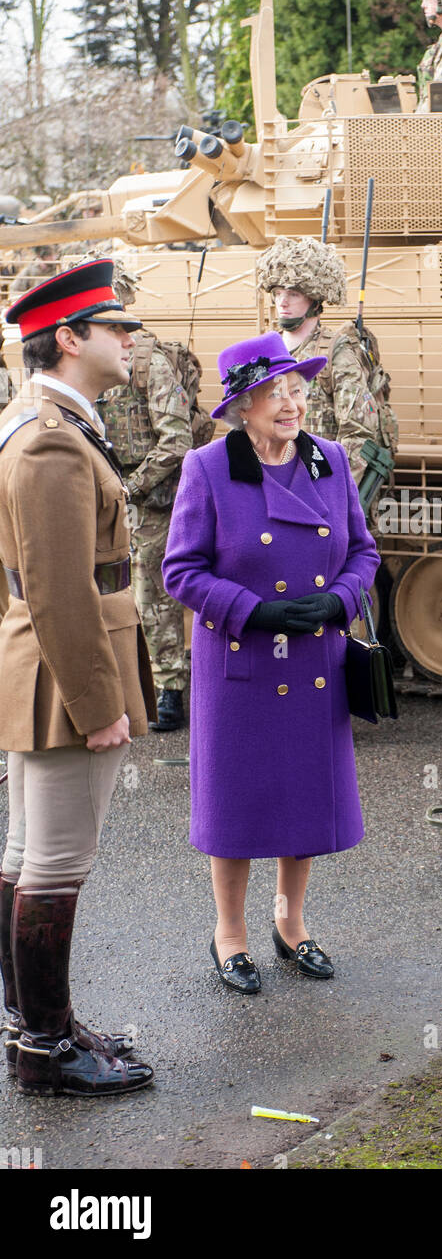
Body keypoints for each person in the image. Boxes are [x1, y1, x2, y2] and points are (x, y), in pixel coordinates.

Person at [162, 332, 380, 992]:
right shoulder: (208, 467)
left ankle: (292, 924)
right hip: (242, 664)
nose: (291, 404)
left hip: (314, 655)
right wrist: (252, 611)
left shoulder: (330, 459)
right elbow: (180, 569)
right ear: (242, 407)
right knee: (237, 807)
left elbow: (362, 552)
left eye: (297, 389)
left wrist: (338, 601)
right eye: (273, 394)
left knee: (301, 798)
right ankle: (230, 933)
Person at [0, 259, 156, 1097]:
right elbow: (58, 584)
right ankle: (47, 1052)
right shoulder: (52, 438)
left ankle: (36, 1027)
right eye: (114, 327)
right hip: (67, 678)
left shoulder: (39, 420)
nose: (129, 339)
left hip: (41, 668)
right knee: (56, 864)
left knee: (29, 857)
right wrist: (99, 706)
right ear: (69, 338)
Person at [93, 258, 199, 732]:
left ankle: (169, 689)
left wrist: (130, 488)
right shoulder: (84, 365)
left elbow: (176, 440)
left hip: (147, 494)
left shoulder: (149, 364)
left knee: (151, 592)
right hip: (102, 490)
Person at [255, 236, 398, 517]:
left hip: (319, 495)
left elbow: (358, 433)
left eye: (294, 293)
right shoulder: (263, 350)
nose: (282, 301)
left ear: (315, 299)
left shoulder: (337, 352)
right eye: (278, 292)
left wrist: (325, 494)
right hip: (271, 490)